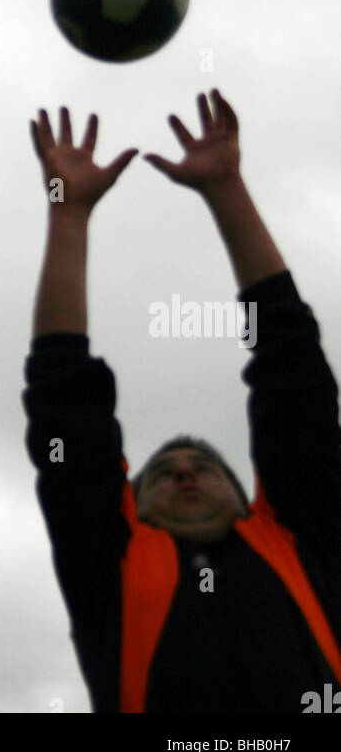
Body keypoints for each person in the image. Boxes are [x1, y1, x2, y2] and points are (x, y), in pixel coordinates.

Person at [22, 88, 341, 713]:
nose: (186, 472)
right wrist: (67, 212)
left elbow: (293, 376)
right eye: (164, 473)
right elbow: (63, 400)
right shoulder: (110, 569)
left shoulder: (301, 545)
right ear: (133, 509)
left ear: (250, 500)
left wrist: (228, 189)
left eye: (202, 467)